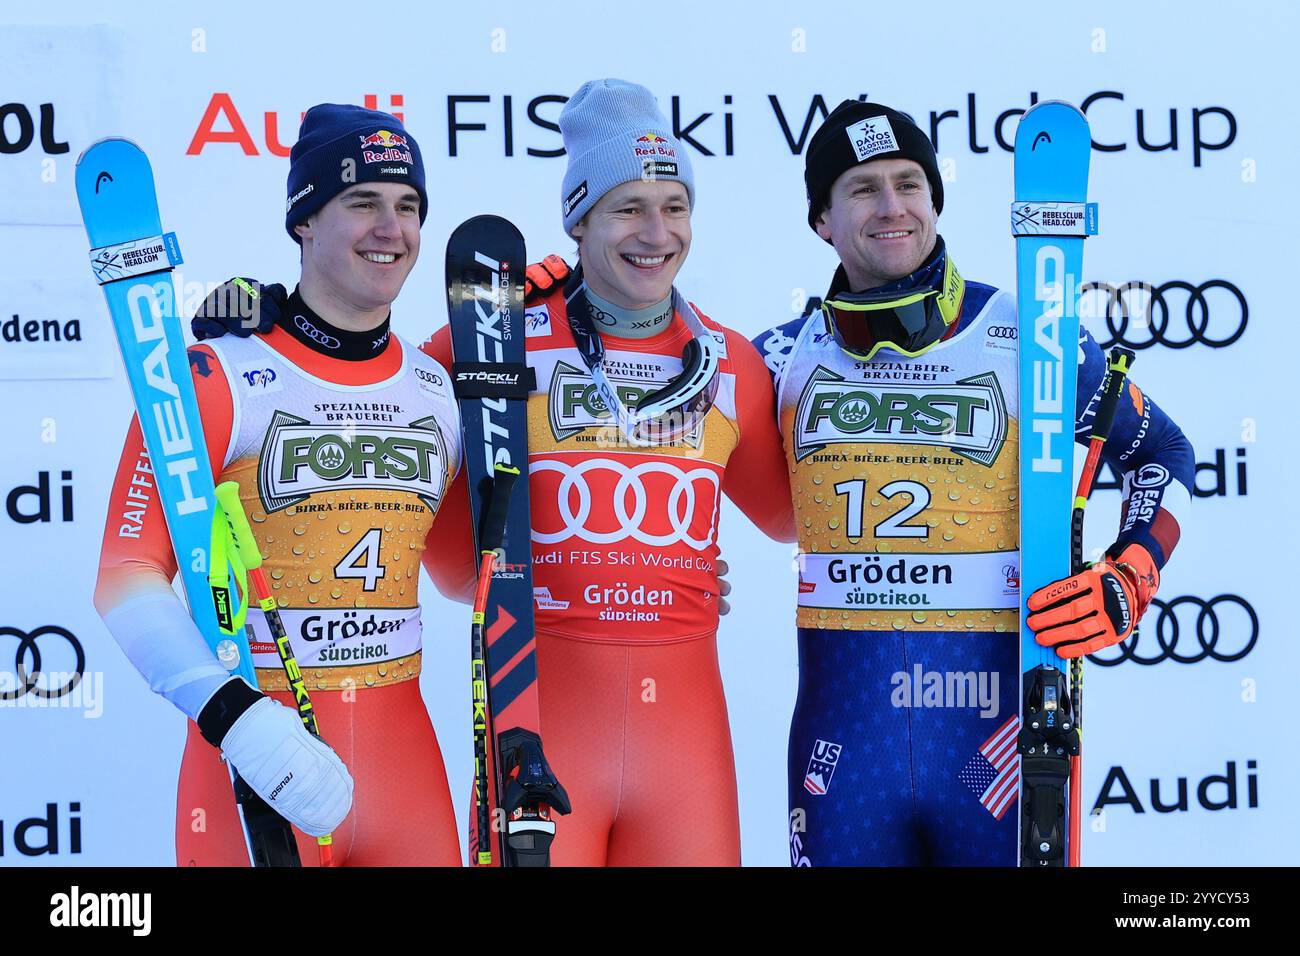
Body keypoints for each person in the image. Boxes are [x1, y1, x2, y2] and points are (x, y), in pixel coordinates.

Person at [195, 79, 796, 866]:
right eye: (626, 207)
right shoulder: (487, 341)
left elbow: (795, 521)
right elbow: (360, 375)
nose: (656, 231)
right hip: (540, 733)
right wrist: (263, 314)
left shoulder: (733, 364)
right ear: (577, 217)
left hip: (687, 751)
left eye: (675, 205)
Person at [753, 101, 1193, 866]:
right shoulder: (781, 357)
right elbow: (644, 415)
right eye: (862, 189)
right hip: (844, 753)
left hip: (994, 739)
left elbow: (1162, 453)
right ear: (822, 218)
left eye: (909, 183)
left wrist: (1132, 571)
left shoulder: (1029, 333)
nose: (893, 207)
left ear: (935, 200)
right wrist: (527, 311)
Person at [95, 104, 472, 866]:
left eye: (408, 207)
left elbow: (467, 574)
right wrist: (233, 714)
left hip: (406, 777)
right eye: (361, 202)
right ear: (302, 220)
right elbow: (123, 577)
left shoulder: (438, 390)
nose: (389, 229)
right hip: (250, 765)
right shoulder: (214, 373)